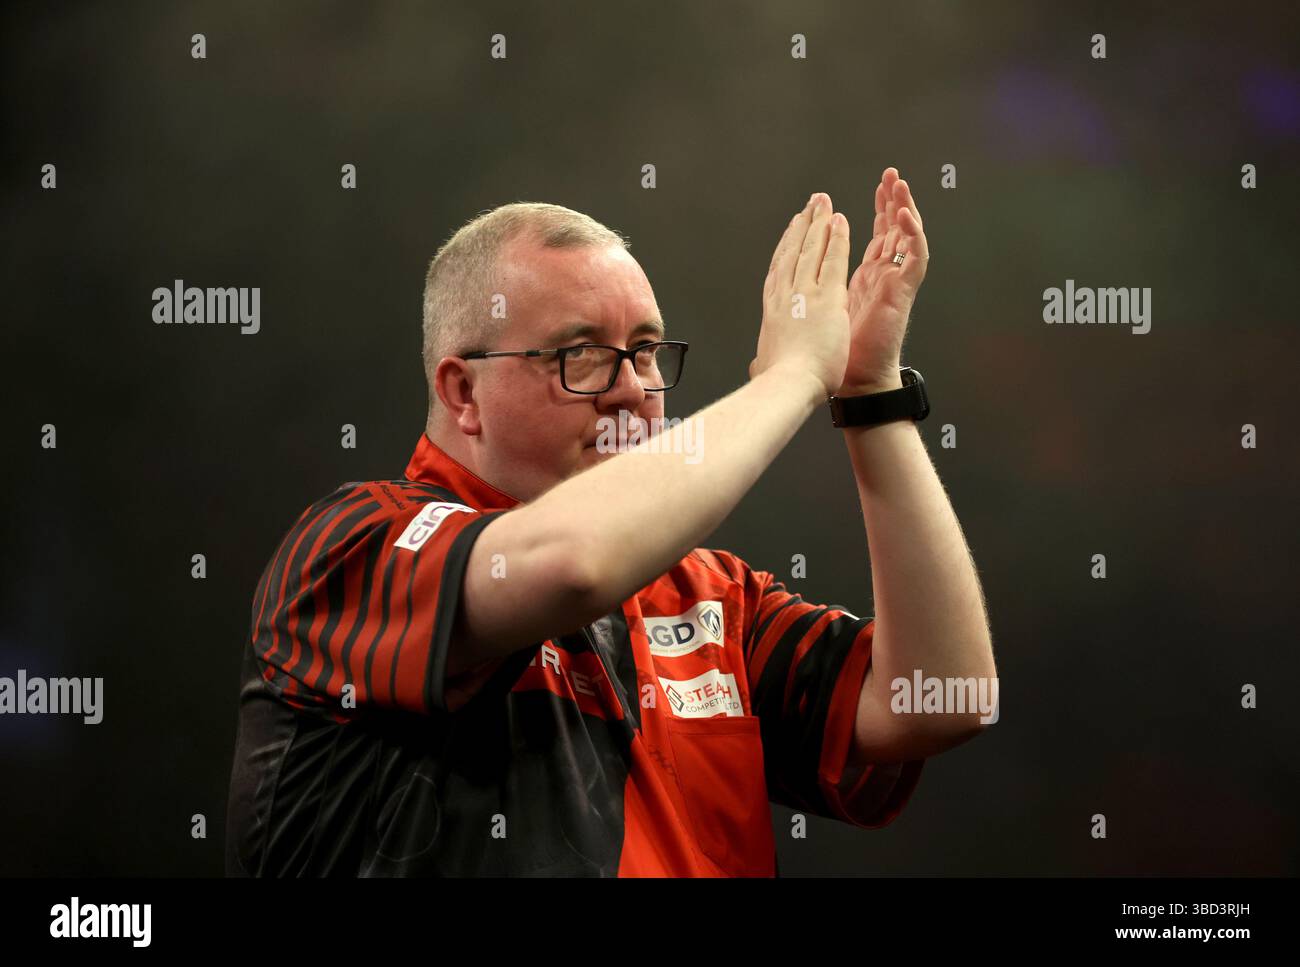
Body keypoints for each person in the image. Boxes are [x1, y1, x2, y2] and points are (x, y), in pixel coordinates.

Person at [224, 167, 996, 876]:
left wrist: (869, 395)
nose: (635, 391)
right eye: (582, 353)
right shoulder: (354, 548)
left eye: (648, 351)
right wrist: (794, 374)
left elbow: (947, 694)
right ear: (463, 393)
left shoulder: (705, 596)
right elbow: (572, 564)